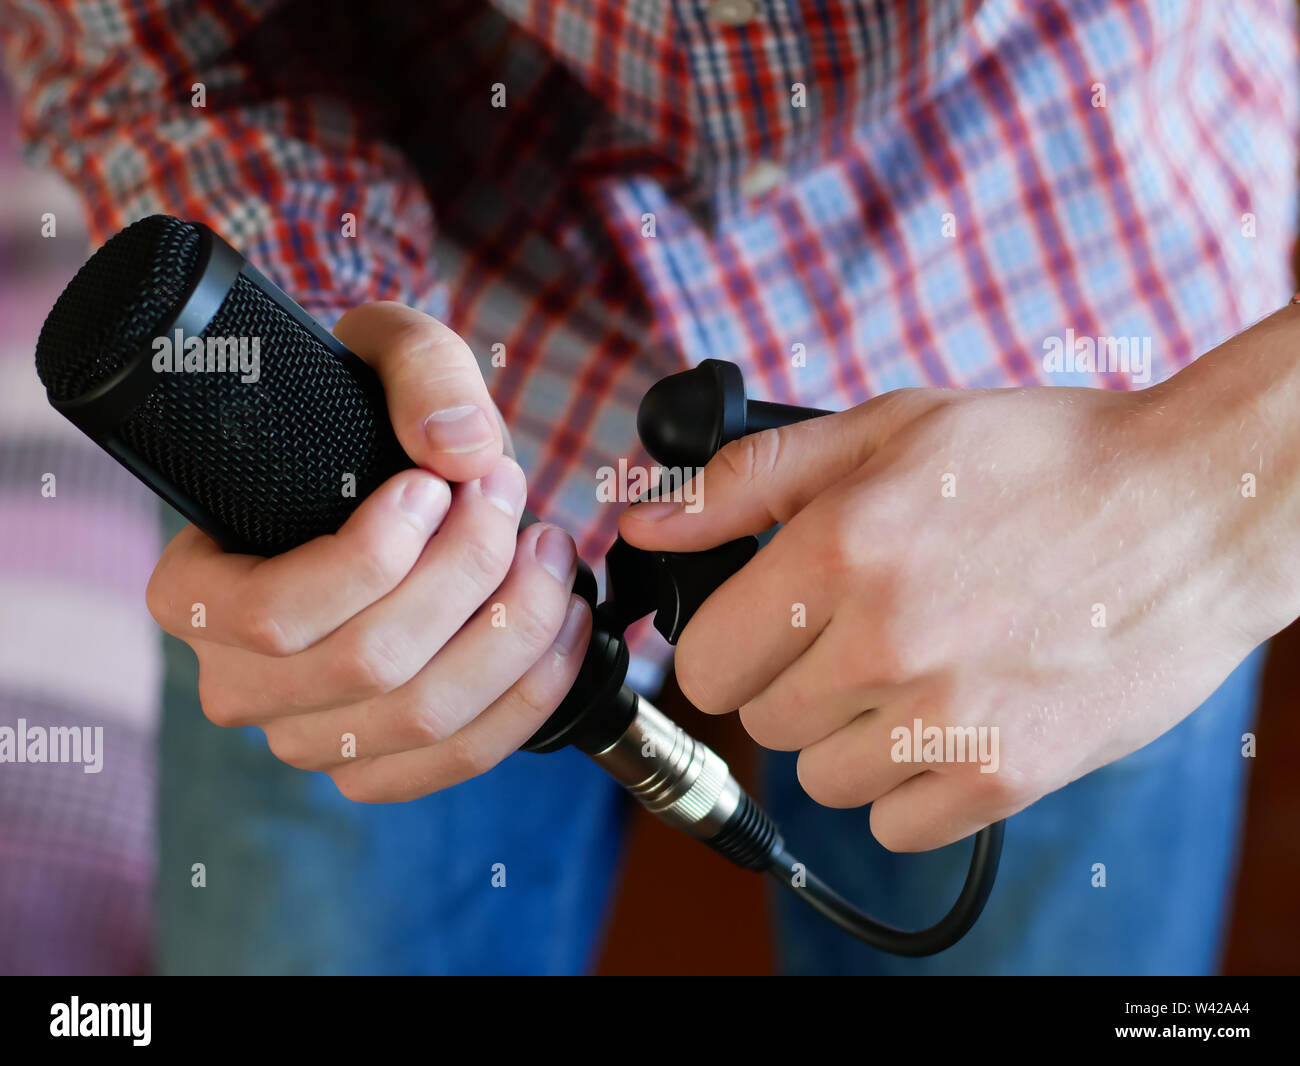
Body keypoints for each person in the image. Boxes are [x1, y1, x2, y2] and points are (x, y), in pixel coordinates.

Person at [4, 0, 1297, 974]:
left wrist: (1216, 498)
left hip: (1081, 403)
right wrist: (306, 341)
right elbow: (152, 38)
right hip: (414, 425)